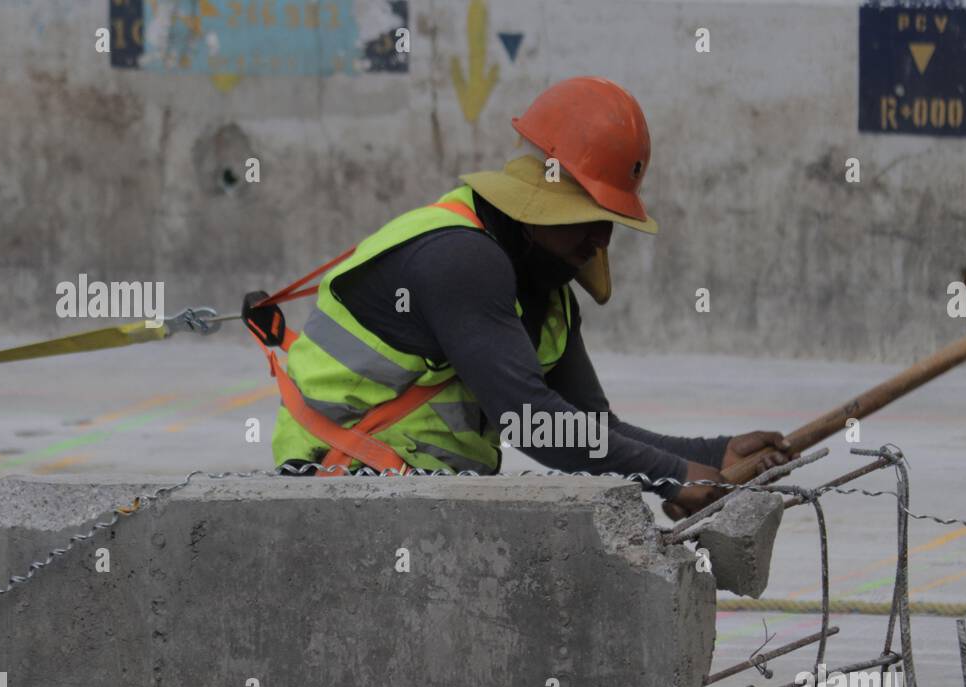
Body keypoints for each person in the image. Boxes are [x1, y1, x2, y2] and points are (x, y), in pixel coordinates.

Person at [242, 76, 790, 518]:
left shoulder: (544, 285)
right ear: (541, 199)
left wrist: (708, 452)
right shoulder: (462, 258)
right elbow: (532, 422)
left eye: (612, 221)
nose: (602, 239)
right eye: (591, 218)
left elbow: (592, 430)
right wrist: (667, 474)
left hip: (411, 498)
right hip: (337, 489)